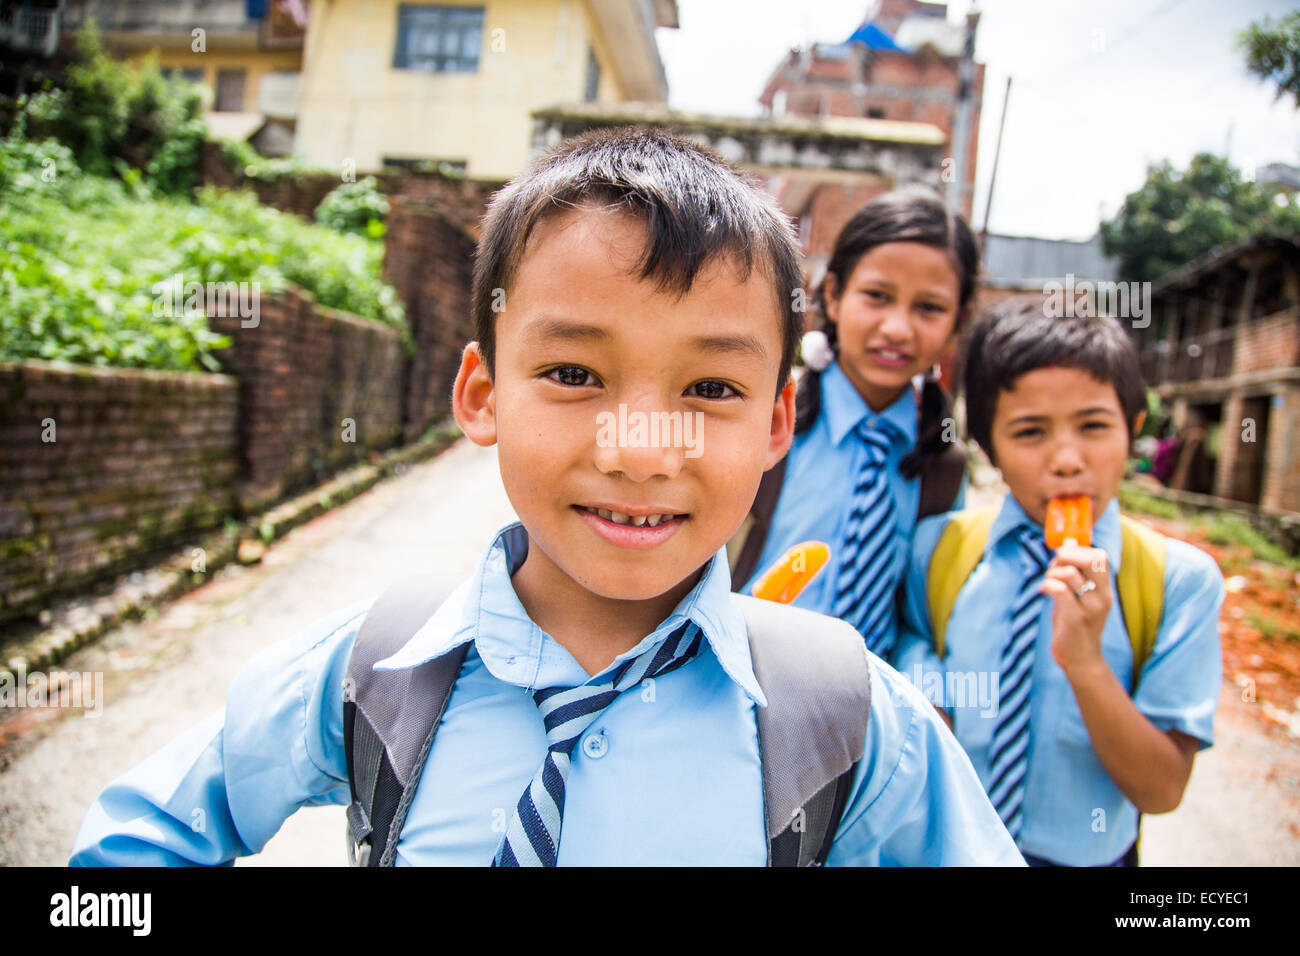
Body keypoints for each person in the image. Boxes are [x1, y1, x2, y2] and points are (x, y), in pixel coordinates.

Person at [69, 127, 1021, 866]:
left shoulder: (845, 715)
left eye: (711, 390)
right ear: (482, 396)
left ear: (777, 422)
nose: (642, 451)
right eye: (573, 373)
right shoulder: (374, 666)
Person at [894, 298, 1224, 867]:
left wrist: (1087, 662)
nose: (1068, 460)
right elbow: (912, 651)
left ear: (1133, 428)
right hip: (946, 847)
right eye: (1030, 432)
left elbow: (1162, 790)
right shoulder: (940, 551)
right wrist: (936, 690)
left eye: (1094, 426)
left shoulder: (1179, 582)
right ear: (989, 450)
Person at [731, 189, 977, 663]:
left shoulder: (942, 465)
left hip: (869, 707)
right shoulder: (770, 420)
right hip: (744, 679)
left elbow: (923, 612)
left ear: (958, 321)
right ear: (834, 295)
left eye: (929, 308)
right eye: (877, 296)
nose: (897, 328)